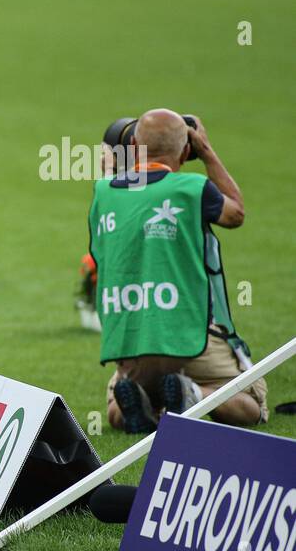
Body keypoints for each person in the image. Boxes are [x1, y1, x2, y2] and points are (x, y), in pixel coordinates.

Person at [89, 108, 266, 434]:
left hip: (133, 339)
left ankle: (146, 400)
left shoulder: (104, 192)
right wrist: (207, 151)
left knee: (116, 404)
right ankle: (194, 393)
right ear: (187, 149)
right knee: (252, 402)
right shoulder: (192, 188)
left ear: (135, 146)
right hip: (191, 335)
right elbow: (236, 213)